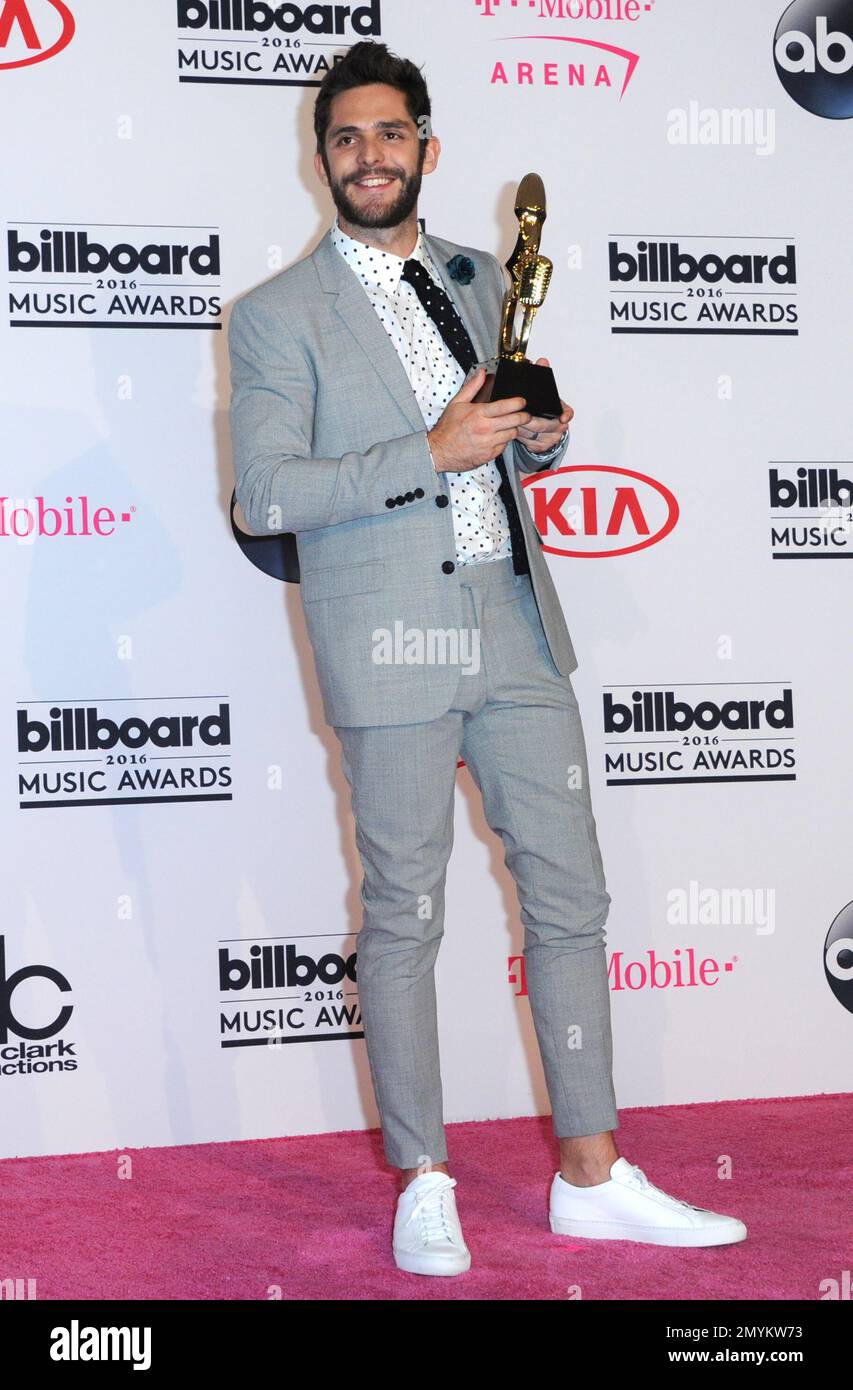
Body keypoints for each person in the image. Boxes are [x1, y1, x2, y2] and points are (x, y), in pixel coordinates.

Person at [228, 40, 747, 1277]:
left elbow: (505, 451)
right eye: (346, 138)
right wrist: (437, 447)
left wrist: (537, 438)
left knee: (570, 898)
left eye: (391, 133)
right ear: (321, 160)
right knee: (404, 914)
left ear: (426, 147)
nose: (370, 156)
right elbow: (265, 494)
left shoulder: (475, 272)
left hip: (514, 629)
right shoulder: (273, 317)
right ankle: (422, 1177)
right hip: (386, 642)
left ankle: (591, 1171)